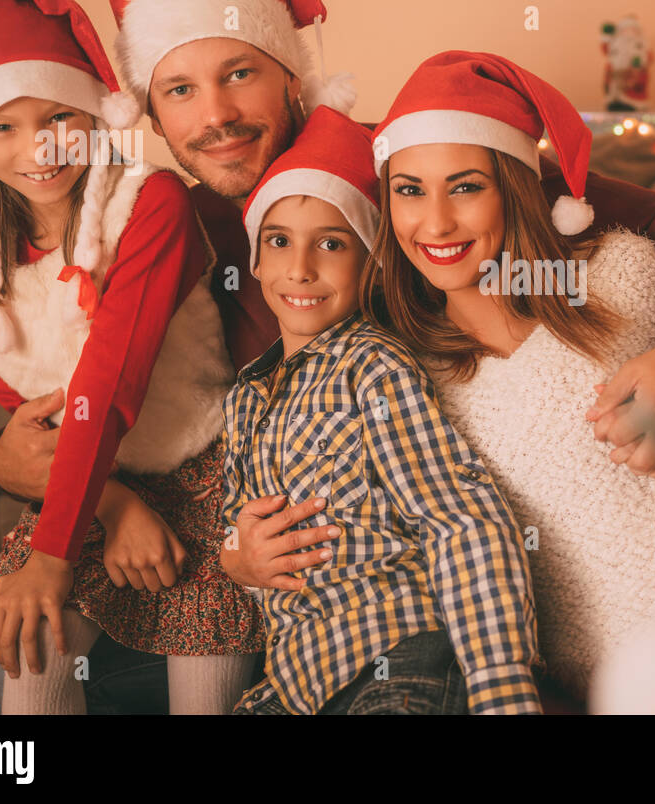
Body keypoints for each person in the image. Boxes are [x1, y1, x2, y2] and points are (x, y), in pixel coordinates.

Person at [0, 0, 655, 712]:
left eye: (239, 74)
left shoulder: (410, 169)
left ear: (292, 78)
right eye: (178, 90)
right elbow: (113, 386)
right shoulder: (174, 219)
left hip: (411, 564)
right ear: (146, 111)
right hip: (256, 559)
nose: (215, 115)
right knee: (6, 649)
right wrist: (20, 466)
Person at [363, 50, 655, 699]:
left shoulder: (624, 275)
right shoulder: (404, 376)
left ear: (515, 187)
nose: (437, 221)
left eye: (466, 186)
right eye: (409, 189)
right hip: (604, 684)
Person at [0, 0, 263, 714]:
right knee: (29, 653)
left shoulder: (150, 204)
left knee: (203, 686)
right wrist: (113, 509)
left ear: (96, 117)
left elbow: (108, 379)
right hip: (90, 488)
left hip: (201, 469)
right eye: (3, 128)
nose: (39, 149)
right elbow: (28, 404)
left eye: (60, 116)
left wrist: (52, 558)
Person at [223, 105, 541, 714]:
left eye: (332, 244)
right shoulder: (242, 400)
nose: (300, 268)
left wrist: (502, 686)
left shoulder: (374, 367)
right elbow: (231, 520)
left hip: (397, 657)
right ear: (256, 260)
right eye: (280, 241)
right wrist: (236, 555)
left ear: (370, 263)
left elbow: (459, 517)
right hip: (294, 684)